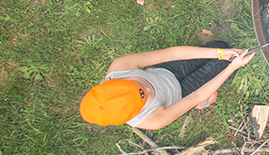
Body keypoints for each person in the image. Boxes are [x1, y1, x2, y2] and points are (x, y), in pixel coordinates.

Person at [80, 41, 254, 129]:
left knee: (220, 46)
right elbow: (196, 96)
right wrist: (232, 66)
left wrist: (219, 53)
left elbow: (171, 53)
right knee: (223, 66)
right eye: (144, 96)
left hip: (167, 71)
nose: (148, 89)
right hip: (183, 94)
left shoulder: (120, 68)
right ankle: (204, 102)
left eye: (138, 85)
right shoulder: (152, 120)